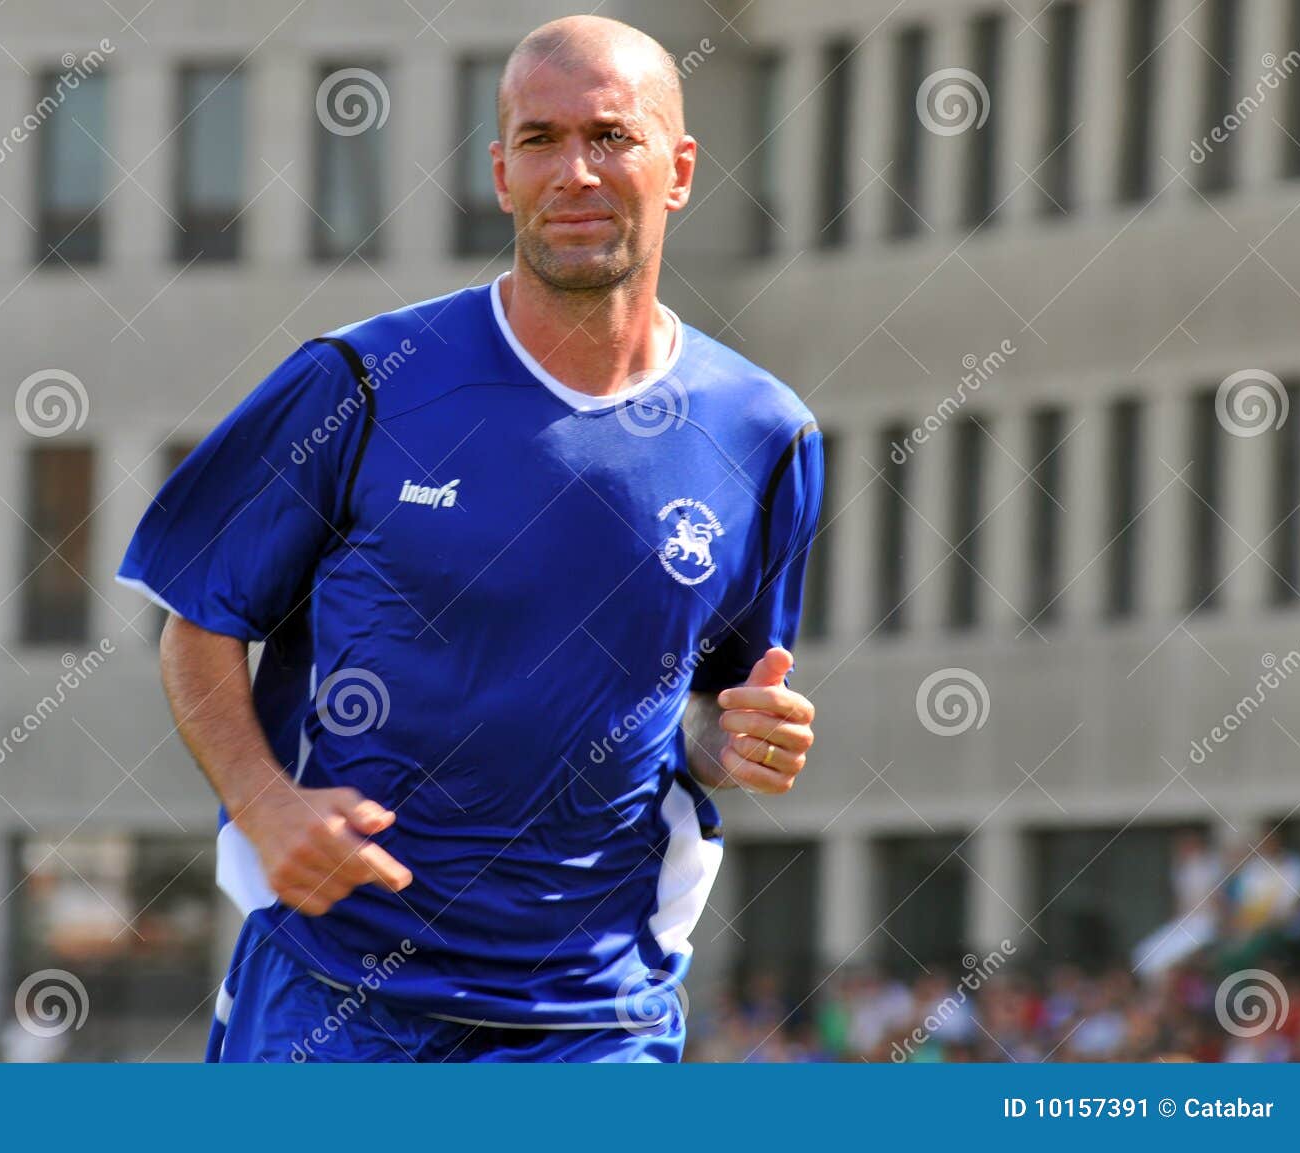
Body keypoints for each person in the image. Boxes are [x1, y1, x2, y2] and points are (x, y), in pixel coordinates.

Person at [117, 14, 823, 1062]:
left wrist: (743, 740)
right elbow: (196, 622)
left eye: (611, 137)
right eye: (541, 140)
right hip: (335, 988)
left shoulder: (763, 434)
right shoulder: (362, 381)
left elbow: (705, 716)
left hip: (594, 1017)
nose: (574, 172)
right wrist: (263, 802)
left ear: (677, 170)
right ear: (501, 174)